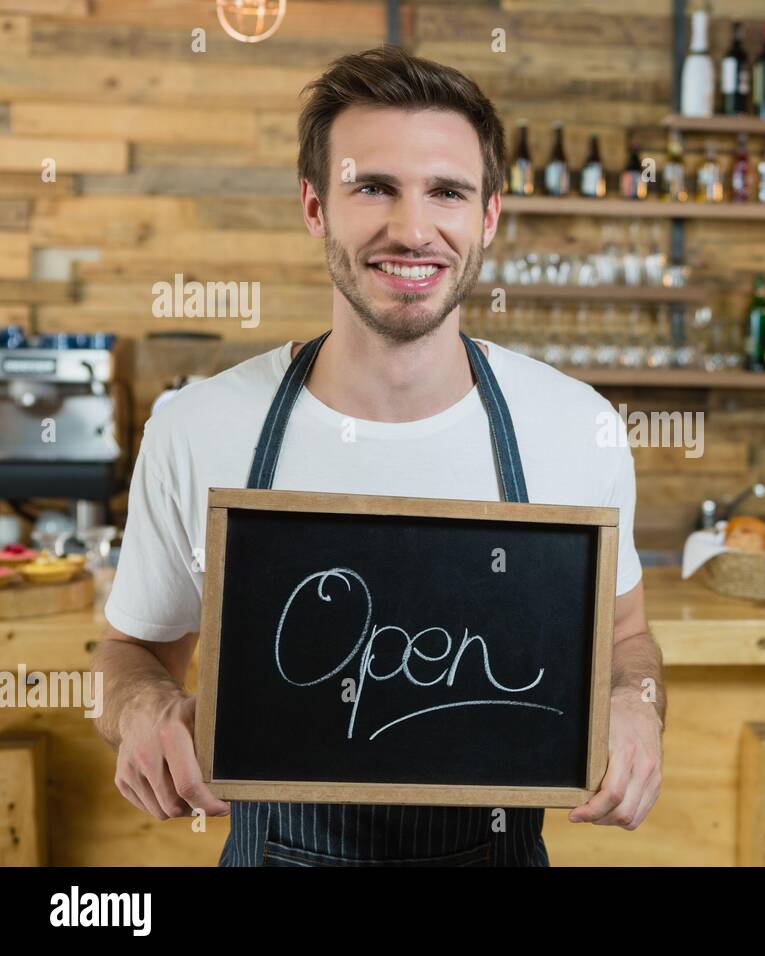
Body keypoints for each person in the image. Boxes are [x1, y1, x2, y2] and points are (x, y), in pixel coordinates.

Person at [91, 46, 665, 867]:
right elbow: (130, 652)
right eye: (374, 187)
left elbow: (627, 637)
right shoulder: (199, 425)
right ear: (316, 207)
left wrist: (638, 704)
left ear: (490, 215)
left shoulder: (577, 427)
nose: (412, 229)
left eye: (447, 192)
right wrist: (143, 708)